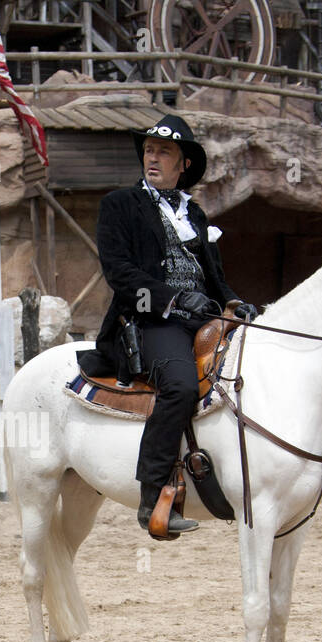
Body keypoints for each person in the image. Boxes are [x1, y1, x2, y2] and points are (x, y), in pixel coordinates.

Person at [79, 113, 258, 536]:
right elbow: (120, 276)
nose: (153, 158)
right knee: (179, 386)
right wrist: (173, 299)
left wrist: (232, 301)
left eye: (164, 152)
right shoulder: (119, 205)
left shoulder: (193, 213)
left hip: (205, 318)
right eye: (149, 150)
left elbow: (212, 275)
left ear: (184, 166)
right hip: (150, 320)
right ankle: (152, 497)